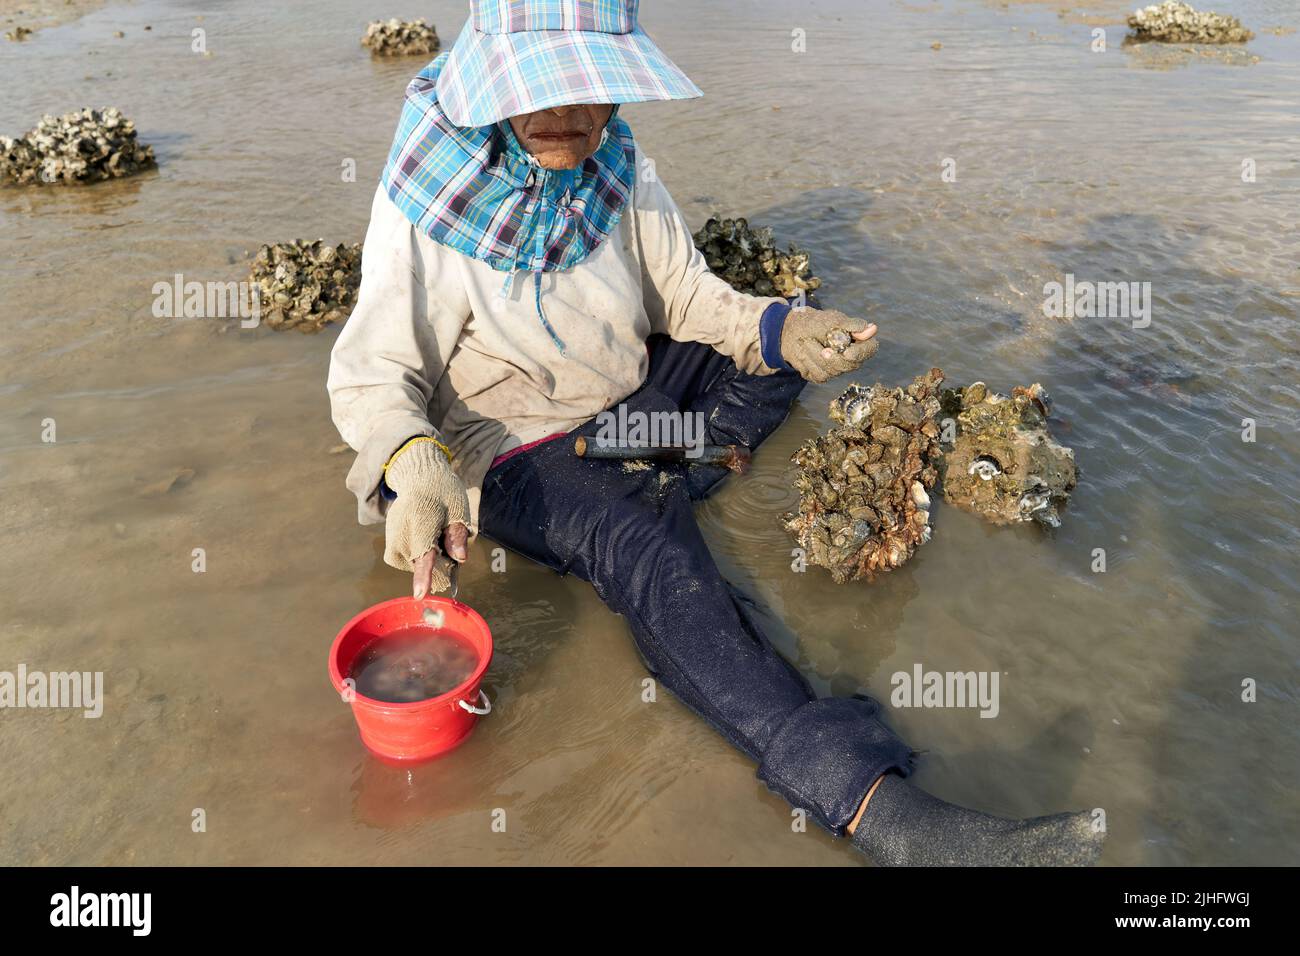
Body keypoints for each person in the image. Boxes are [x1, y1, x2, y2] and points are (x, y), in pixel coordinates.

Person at [328, 0, 1104, 866]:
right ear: (491, 84)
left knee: (776, 348)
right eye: (545, 88)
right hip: (514, 449)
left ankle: (660, 478)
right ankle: (876, 809)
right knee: (647, 553)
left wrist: (779, 331)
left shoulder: (617, 163)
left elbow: (688, 298)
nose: (570, 113)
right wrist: (411, 459)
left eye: (591, 86)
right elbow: (372, 375)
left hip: (633, 397)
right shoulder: (425, 199)